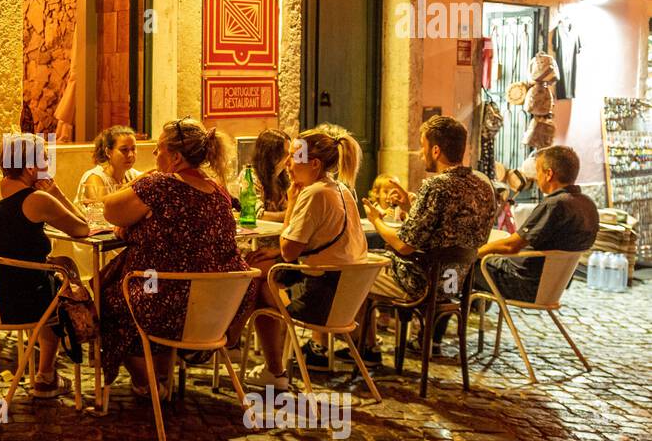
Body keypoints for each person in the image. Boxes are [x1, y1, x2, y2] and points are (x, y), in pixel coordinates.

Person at [98, 118, 257, 394]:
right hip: (211, 313)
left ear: (175, 157)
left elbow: (111, 211)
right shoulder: (218, 191)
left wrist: (142, 179)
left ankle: (147, 382)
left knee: (105, 302)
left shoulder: (160, 185)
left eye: (159, 149)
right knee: (145, 285)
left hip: (164, 309)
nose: (155, 155)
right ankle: (160, 376)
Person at [0, 133, 89, 399]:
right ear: (31, 167)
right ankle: (45, 376)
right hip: (19, 304)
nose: (47, 163)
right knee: (61, 286)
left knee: (48, 275)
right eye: (44, 158)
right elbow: (82, 228)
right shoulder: (36, 199)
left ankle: (45, 373)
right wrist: (55, 191)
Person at [362, 115, 496, 362]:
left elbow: (404, 244)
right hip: (454, 282)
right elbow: (448, 229)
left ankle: (366, 349)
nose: (422, 155)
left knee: (356, 273)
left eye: (423, 148)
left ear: (435, 149)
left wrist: (376, 220)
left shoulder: (436, 186)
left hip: (422, 283)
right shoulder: (483, 185)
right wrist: (412, 203)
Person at [247, 129, 369, 385]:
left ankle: (274, 371)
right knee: (262, 266)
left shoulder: (313, 194)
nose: (288, 165)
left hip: (317, 301)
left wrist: (291, 201)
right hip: (347, 299)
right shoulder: (342, 190)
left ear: (314, 164)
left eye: (293, 157)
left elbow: (289, 249)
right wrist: (276, 252)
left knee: (258, 286)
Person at [474, 145, 598, 301]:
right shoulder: (588, 205)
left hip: (522, 283)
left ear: (549, 174)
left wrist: (474, 252)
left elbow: (511, 246)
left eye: (538, 171)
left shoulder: (555, 205)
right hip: (551, 287)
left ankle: (444, 317)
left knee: (464, 266)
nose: (536, 178)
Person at [76, 125, 141, 204]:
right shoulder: (95, 177)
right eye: (124, 150)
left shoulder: (133, 175)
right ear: (108, 152)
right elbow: (101, 208)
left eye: (133, 149)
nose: (131, 154)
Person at [250, 129, 294, 222]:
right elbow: (256, 214)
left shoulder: (283, 177)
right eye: (285, 154)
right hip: (260, 234)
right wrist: (288, 214)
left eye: (290, 154)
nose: (289, 159)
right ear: (270, 155)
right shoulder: (250, 176)